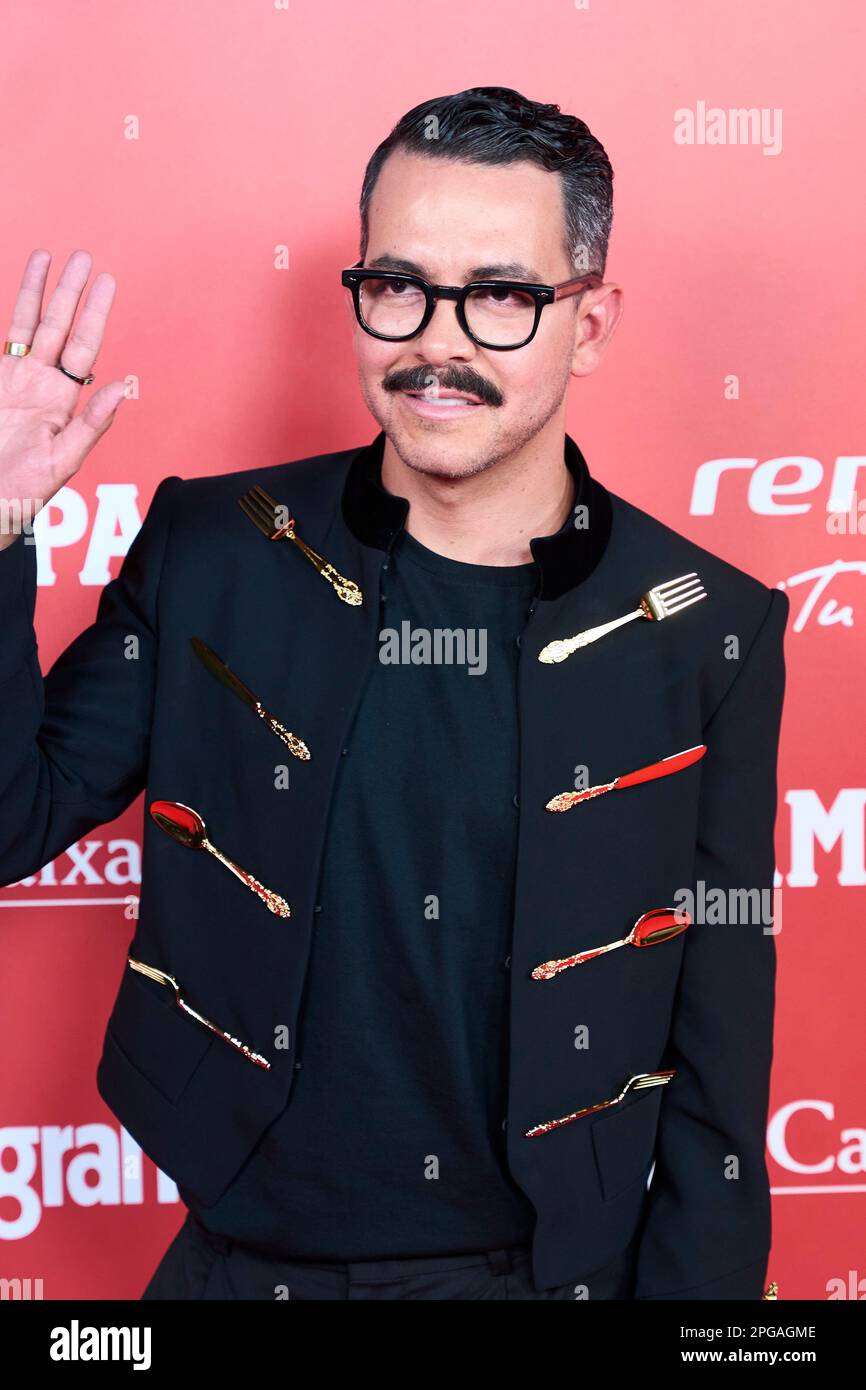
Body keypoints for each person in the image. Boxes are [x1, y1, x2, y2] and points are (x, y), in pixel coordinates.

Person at [0, 86, 788, 1300]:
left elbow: (718, 1064)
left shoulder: (703, 627)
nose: (440, 341)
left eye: (503, 297)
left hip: (536, 1279)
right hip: (233, 1270)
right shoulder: (216, 548)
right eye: (398, 285)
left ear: (589, 322)